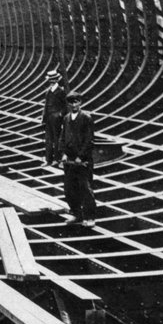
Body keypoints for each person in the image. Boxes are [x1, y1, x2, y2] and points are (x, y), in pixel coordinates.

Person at [58, 92, 97, 226]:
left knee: (85, 188)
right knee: (69, 189)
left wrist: (81, 156)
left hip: (83, 161)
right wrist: (63, 153)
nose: (74, 105)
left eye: (76, 102)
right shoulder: (66, 118)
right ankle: (76, 214)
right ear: (68, 104)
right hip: (69, 161)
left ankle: (90, 217)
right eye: (71, 102)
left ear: (80, 103)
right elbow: (62, 137)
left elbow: (89, 140)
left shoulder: (86, 118)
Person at [42, 71, 68, 165]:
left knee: (57, 139)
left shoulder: (61, 91)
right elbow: (46, 106)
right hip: (49, 118)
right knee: (48, 139)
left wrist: (60, 114)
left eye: (53, 80)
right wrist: (44, 118)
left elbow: (65, 105)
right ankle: (48, 160)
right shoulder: (48, 91)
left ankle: (57, 159)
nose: (51, 81)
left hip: (56, 119)